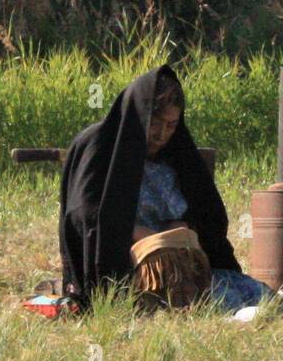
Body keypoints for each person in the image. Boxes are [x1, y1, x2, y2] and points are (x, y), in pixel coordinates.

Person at [58, 66, 269, 311]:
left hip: (180, 263)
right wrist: (135, 232)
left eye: (171, 125)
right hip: (126, 267)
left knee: (257, 298)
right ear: (139, 115)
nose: (161, 135)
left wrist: (182, 228)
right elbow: (84, 214)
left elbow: (207, 213)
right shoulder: (101, 146)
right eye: (155, 124)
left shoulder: (177, 153)